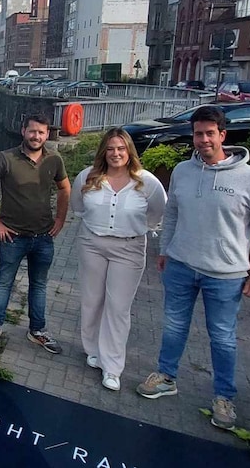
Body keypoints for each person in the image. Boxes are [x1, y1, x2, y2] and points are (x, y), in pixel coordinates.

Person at [135, 106, 250, 431]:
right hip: (181, 265)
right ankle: (166, 377)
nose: (202, 140)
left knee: (222, 337)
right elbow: (172, 213)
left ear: (222, 135)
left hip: (225, 275)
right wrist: (165, 249)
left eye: (209, 133)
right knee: (173, 327)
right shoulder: (184, 172)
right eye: (198, 134)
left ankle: (224, 397)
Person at [70, 128, 166, 391]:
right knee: (92, 300)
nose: (115, 154)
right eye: (111, 149)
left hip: (129, 248)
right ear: (104, 151)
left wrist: (135, 228)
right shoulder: (87, 177)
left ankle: (112, 367)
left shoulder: (147, 182)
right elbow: (78, 207)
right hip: (92, 243)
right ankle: (92, 349)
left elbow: (157, 212)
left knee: (118, 307)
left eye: (121, 148)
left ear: (129, 152)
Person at [0, 114, 72, 354]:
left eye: (41, 132)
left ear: (47, 134)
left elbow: (64, 188)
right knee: (3, 282)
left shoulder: (54, 159)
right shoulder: (6, 158)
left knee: (39, 284)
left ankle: (37, 330)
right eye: (32, 131)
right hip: (13, 236)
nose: (36, 136)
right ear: (23, 131)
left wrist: (60, 218)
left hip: (43, 237)